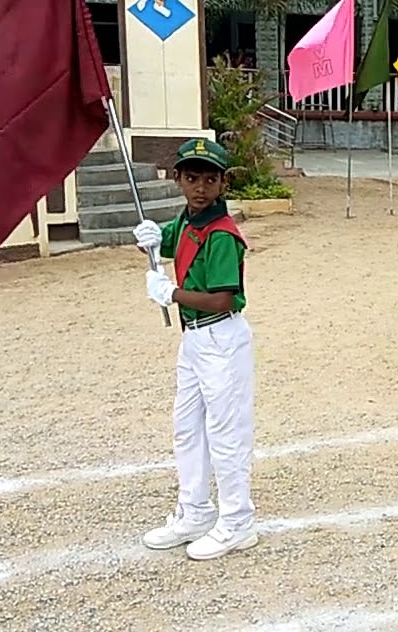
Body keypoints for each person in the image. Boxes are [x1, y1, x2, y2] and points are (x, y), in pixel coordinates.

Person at [131, 138, 259, 561]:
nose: (200, 187)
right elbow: (167, 242)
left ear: (222, 183)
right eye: (191, 178)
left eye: (209, 179)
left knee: (225, 434)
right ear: (179, 180)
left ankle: (238, 520)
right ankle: (196, 509)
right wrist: (148, 240)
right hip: (195, 339)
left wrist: (172, 293)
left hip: (220, 336)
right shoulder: (189, 222)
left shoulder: (222, 235)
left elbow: (224, 298)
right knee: (187, 428)